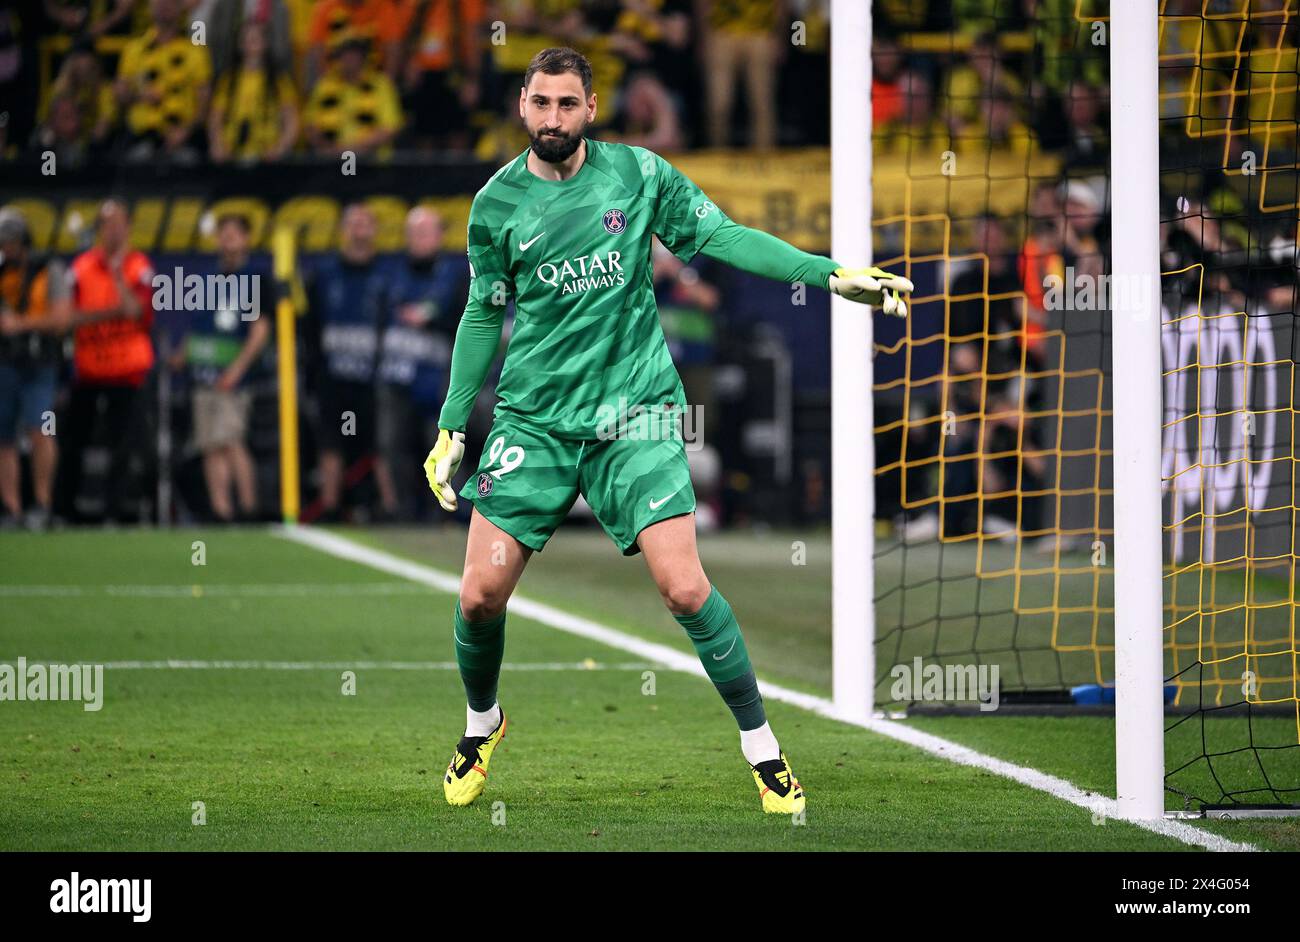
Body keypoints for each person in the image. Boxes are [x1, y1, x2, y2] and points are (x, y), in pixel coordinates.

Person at [422, 47, 912, 814]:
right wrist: (454, 424)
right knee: (481, 596)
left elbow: (724, 238)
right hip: (536, 422)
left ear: (591, 109)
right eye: (541, 103)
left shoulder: (638, 176)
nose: (553, 118)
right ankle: (482, 724)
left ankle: (763, 749)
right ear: (522, 106)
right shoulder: (495, 205)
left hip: (637, 414)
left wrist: (827, 273)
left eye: (568, 104)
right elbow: (484, 313)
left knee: (684, 587)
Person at [56, 199, 155, 524]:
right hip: (89, 369)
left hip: (127, 371)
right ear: (99, 229)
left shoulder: (138, 266)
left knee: (124, 447)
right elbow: (66, 319)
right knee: (74, 443)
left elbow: (137, 312)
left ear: (128, 227)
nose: (114, 230)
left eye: (119, 224)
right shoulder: (81, 267)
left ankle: (116, 514)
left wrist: (116, 275)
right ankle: (64, 512)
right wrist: (107, 313)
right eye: (107, 224)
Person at [171, 213, 270, 522]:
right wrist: (181, 355)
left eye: (233, 233)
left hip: (233, 378)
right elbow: (199, 327)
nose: (226, 240)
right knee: (210, 445)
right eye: (222, 234)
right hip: (203, 375)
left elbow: (259, 332)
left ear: (246, 239)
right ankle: (221, 512)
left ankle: (249, 509)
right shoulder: (208, 279)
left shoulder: (256, 279)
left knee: (231, 440)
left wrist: (237, 370)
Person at [304, 202, 394, 520]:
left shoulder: (386, 276)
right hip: (332, 377)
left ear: (374, 230)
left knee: (378, 444)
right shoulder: (325, 275)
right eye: (353, 224)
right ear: (343, 230)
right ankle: (330, 506)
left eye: (365, 223)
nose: (359, 230)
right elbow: (310, 327)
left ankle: (388, 508)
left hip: (374, 377)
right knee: (331, 442)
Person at [375, 207, 465, 519]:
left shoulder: (454, 276)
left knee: (439, 445)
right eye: (413, 233)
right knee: (391, 444)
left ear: (440, 235)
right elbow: (379, 323)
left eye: (426, 232)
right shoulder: (392, 274)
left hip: (437, 377)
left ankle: (441, 511)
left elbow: (465, 323)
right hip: (395, 375)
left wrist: (429, 320)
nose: (419, 239)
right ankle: (399, 510)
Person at [0, 208, 72, 530]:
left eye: (11, 241)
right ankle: (11, 509)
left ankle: (42, 504)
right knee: (3, 438)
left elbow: (62, 320)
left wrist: (21, 324)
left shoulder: (48, 269)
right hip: (5, 365)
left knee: (42, 429)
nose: (7, 248)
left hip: (41, 366)